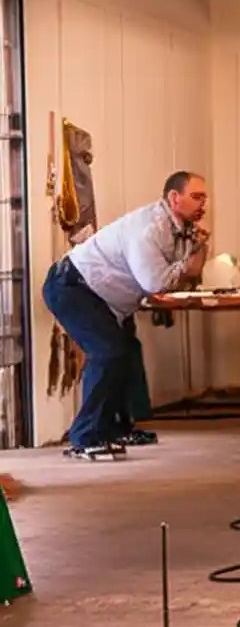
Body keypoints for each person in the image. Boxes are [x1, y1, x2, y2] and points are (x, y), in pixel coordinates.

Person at [43, 171, 210, 460]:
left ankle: (114, 428)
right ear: (174, 198)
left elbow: (191, 274)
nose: (202, 204)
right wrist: (187, 264)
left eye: (204, 198)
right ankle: (84, 437)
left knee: (127, 352)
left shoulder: (180, 231)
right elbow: (155, 283)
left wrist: (197, 248)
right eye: (196, 197)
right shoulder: (150, 228)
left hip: (106, 298)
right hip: (73, 287)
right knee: (107, 352)